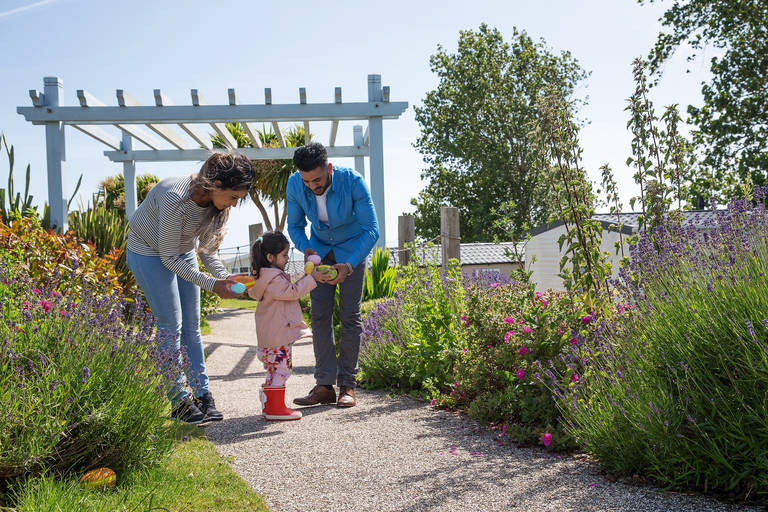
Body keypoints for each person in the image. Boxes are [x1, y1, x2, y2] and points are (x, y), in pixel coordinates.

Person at [126, 152, 254, 424]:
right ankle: (178, 400)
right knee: (170, 324)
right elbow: (167, 258)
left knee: (192, 325)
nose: (234, 204)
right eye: (233, 197)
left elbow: (207, 252)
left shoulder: (218, 205)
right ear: (216, 185)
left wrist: (226, 279)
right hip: (148, 252)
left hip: (179, 252)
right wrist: (211, 284)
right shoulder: (176, 199)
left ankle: (202, 393)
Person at [286, 142, 379, 408]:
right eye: (307, 181)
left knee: (350, 315)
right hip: (320, 251)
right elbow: (294, 226)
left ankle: (347, 385)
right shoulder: (295, 184)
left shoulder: (353, 181)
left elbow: (371, 229)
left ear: (328, 168)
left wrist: (349, 265)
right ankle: (324, 386)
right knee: (319, 316)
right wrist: (308, 251)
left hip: (352, 252)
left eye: (317, 179)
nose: (312, 186)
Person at [246, 230, 324, 420]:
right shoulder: (273, 279)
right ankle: (275, 408)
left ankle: (270, 404)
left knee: (274, 370)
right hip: (277, 336)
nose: (287, 258)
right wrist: (311, 278)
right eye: (284, 255)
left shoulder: (264, 277)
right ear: (270, 257)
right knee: (282, 369)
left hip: (270, 337)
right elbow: (292, 292)